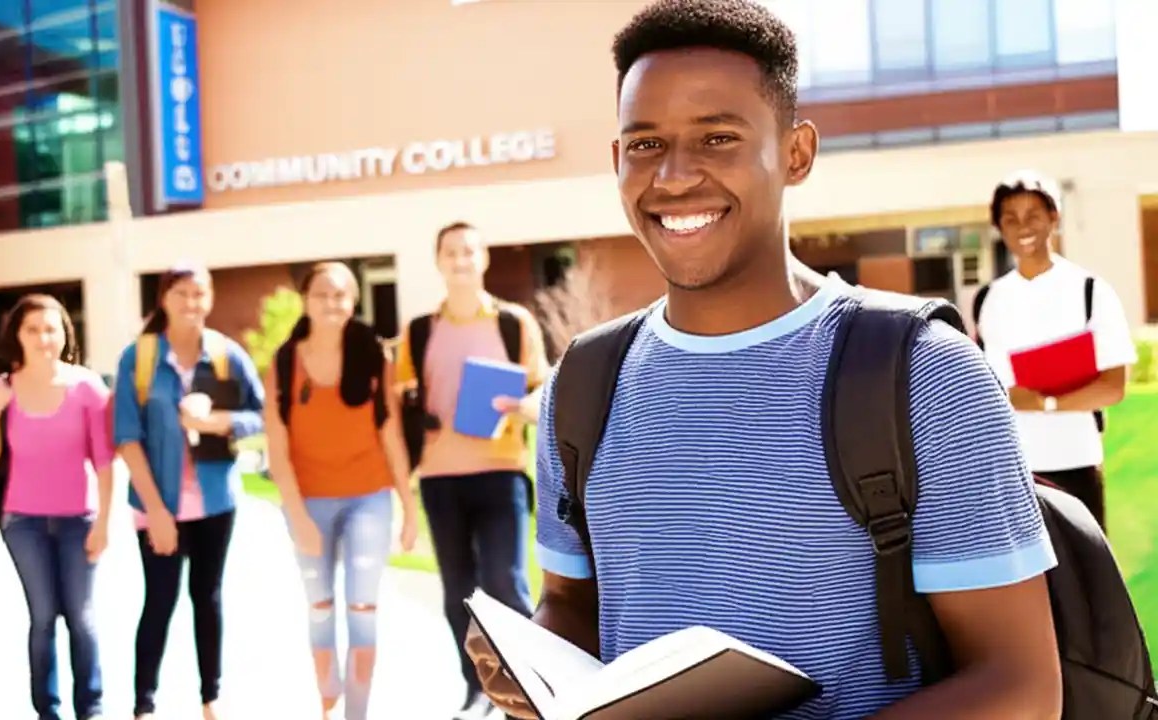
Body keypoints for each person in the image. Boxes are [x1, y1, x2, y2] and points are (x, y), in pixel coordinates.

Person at [465, 1, 1062, 718]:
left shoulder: (923, 374)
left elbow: (1021, 688)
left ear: (796, 153)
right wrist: (535, 674)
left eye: (717, 137)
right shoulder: (583, 385)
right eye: (647, 144)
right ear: (618, 160)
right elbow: (571, 605)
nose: (675, 176)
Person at [393, 222, 549, 718]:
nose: (460, 259)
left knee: (506, 583)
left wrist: (520, 406)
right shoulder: (418, 332)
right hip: (440, 479)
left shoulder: (514, 323)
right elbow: (401, 408)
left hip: (501, 473)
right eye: (450, 252)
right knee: (458, 591)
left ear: (483, 258)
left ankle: (528, 688)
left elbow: (543, 390)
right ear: (438, 262)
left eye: (468, 251)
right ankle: (478, 689)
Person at [263, 262, 418, 720]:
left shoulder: (373, 354)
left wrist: (408, 507)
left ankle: (357, 712)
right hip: (308, 501)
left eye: (341, 295)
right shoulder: (286, 360)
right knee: (321, 608)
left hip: (368, 496)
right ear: (306, 301)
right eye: (322, 295)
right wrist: (298, 518)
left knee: (363, 608)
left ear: (353, 302)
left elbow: (390, 431)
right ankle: (327, 694)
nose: (331, 303)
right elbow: (276, 448)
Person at [112, 264, 266, 720]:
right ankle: (144, 704)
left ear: (211, 298)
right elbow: (126, 436)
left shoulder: (225, 353)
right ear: (164, 299)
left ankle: (210, 697)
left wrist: (218, 422)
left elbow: (260, 415)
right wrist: (157, 511)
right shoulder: (138, 359)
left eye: (199, 294)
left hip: (216, 501)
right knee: (159, 601)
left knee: (208, 597)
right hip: (156, 504)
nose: (191, 303)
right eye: (181, 293)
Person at [0, 294, 113, 720]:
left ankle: (91, 709)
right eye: (32, 329)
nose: (42, 338)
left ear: (65, 334)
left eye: (51, 328)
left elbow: (104, 462)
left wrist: (104, 523)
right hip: (23, 522)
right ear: (17, 335)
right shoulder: (0, 390)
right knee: (44, 616)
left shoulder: (87, 387)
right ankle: (47, 710)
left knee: (81, 616)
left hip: (79, 519)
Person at [973, 171, 1136, 532]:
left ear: (1053, 217)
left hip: (1076, 462)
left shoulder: (1091, 291)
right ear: (999, 227)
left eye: (1033, 215)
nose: (1022, 227)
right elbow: (990, 387)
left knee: (1089, 583)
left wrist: (1044, 403)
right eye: (1010, 219)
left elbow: (1113, 387)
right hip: (1015, 470)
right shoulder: (990, 300)